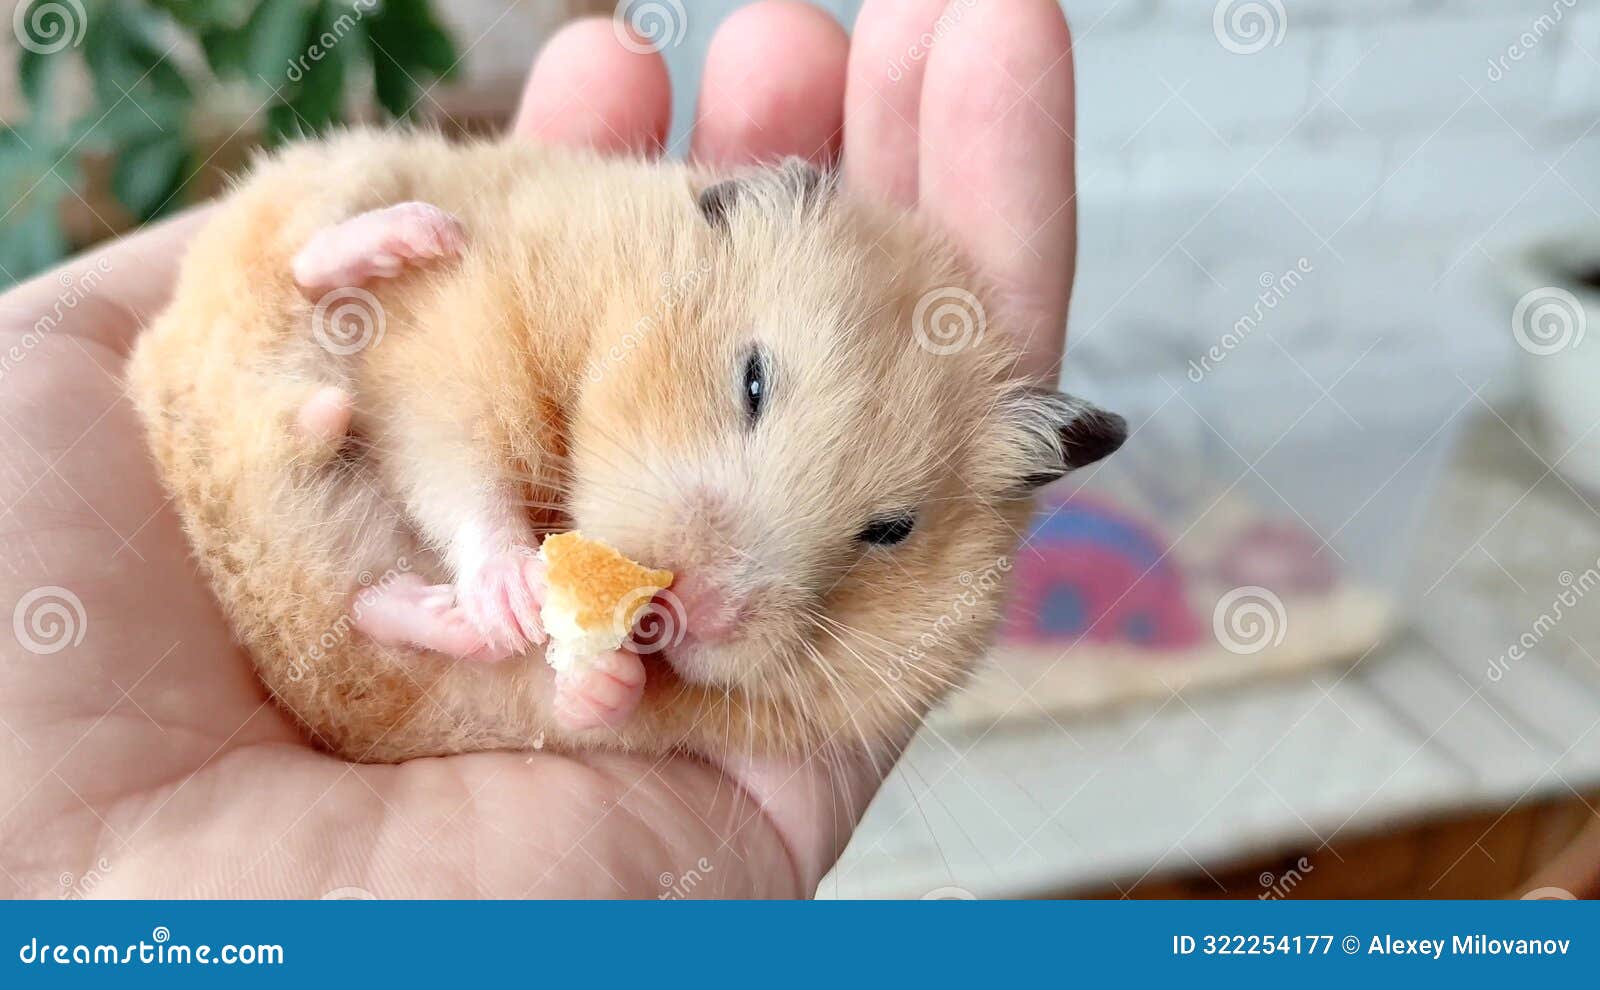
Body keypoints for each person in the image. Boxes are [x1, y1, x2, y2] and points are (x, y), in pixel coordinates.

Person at [0, 0, 1077, 897]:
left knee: (562, 673)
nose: (716, 584)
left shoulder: (859, 612)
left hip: (365, 640)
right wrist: (482, 534)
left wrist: (598, 680)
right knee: (341, 224)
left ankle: (393, 604)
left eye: (881, 529)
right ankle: (324, 290)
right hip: (301, 376)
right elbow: (446, 348)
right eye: (751, 392)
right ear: (730, 215)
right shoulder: (605, 258)